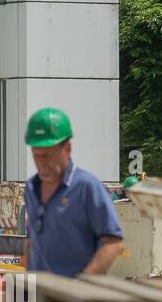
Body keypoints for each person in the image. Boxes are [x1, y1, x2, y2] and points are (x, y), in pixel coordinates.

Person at [22, 107, 124, 277]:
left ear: (67, 149)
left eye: (47, 155)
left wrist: (81, 286)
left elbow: (112, 242)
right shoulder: (31, 188)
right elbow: (31, 240)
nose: (41, 162)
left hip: (74, 298)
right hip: (40, 295)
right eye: (36, 154)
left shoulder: (87, 187)